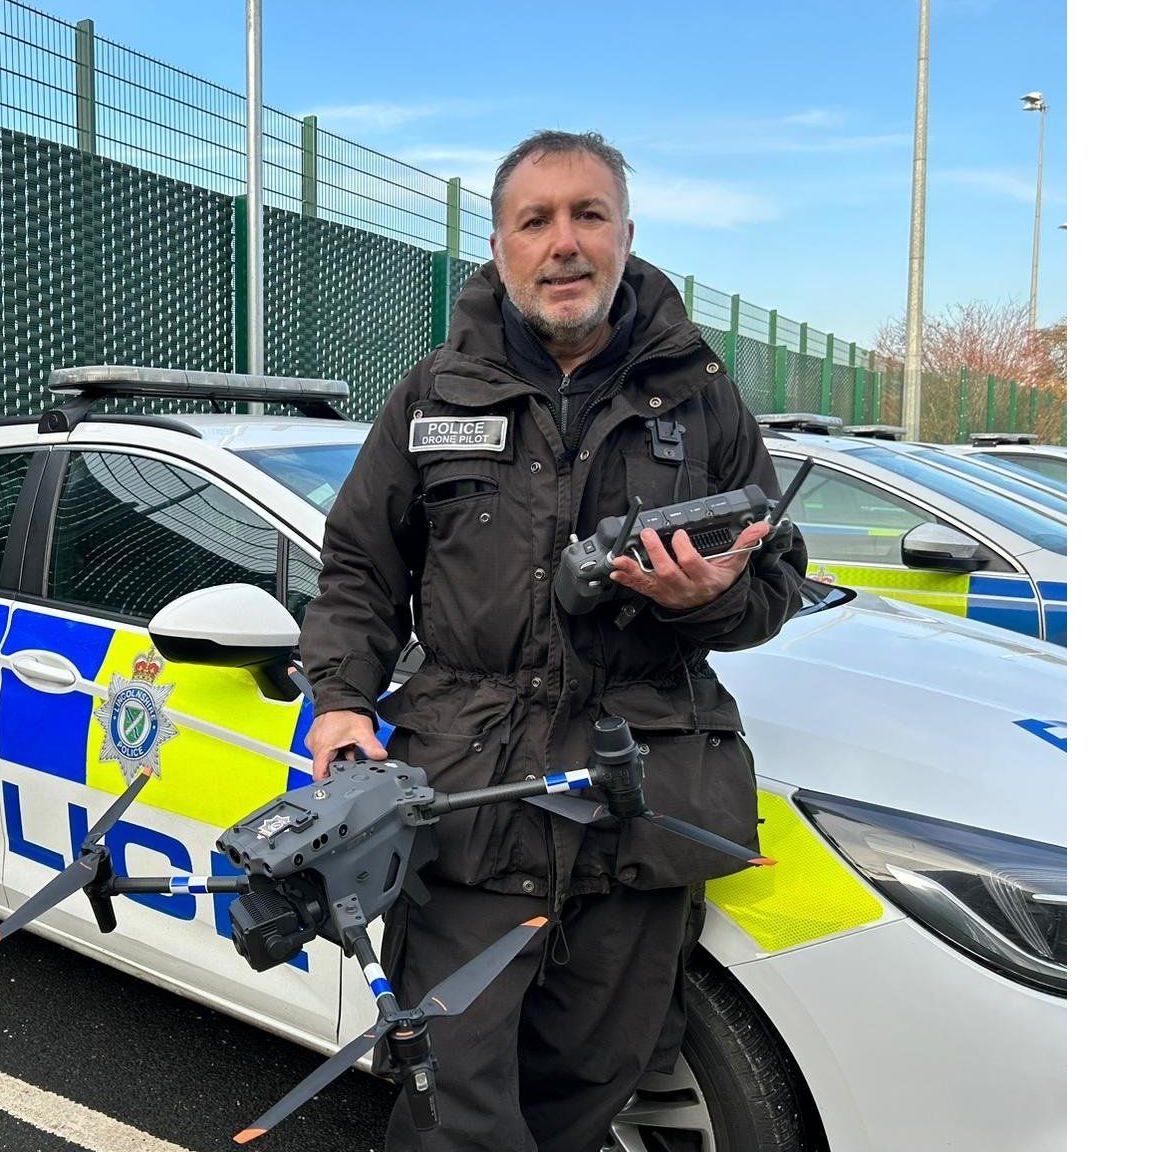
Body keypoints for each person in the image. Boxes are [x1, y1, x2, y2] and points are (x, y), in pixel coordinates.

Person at [297, 130, 808, 1152]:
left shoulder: (700, 400)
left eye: (587, 216)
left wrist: (706, 595)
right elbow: (358, 568)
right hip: (470, 811)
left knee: (586, 1094)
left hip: (637, 810)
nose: (563, 243)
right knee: (454, 1109)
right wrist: (343, 698)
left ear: (626, 235)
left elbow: (775, 582)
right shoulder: (430, 397)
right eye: (535, 220)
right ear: (496, 246)